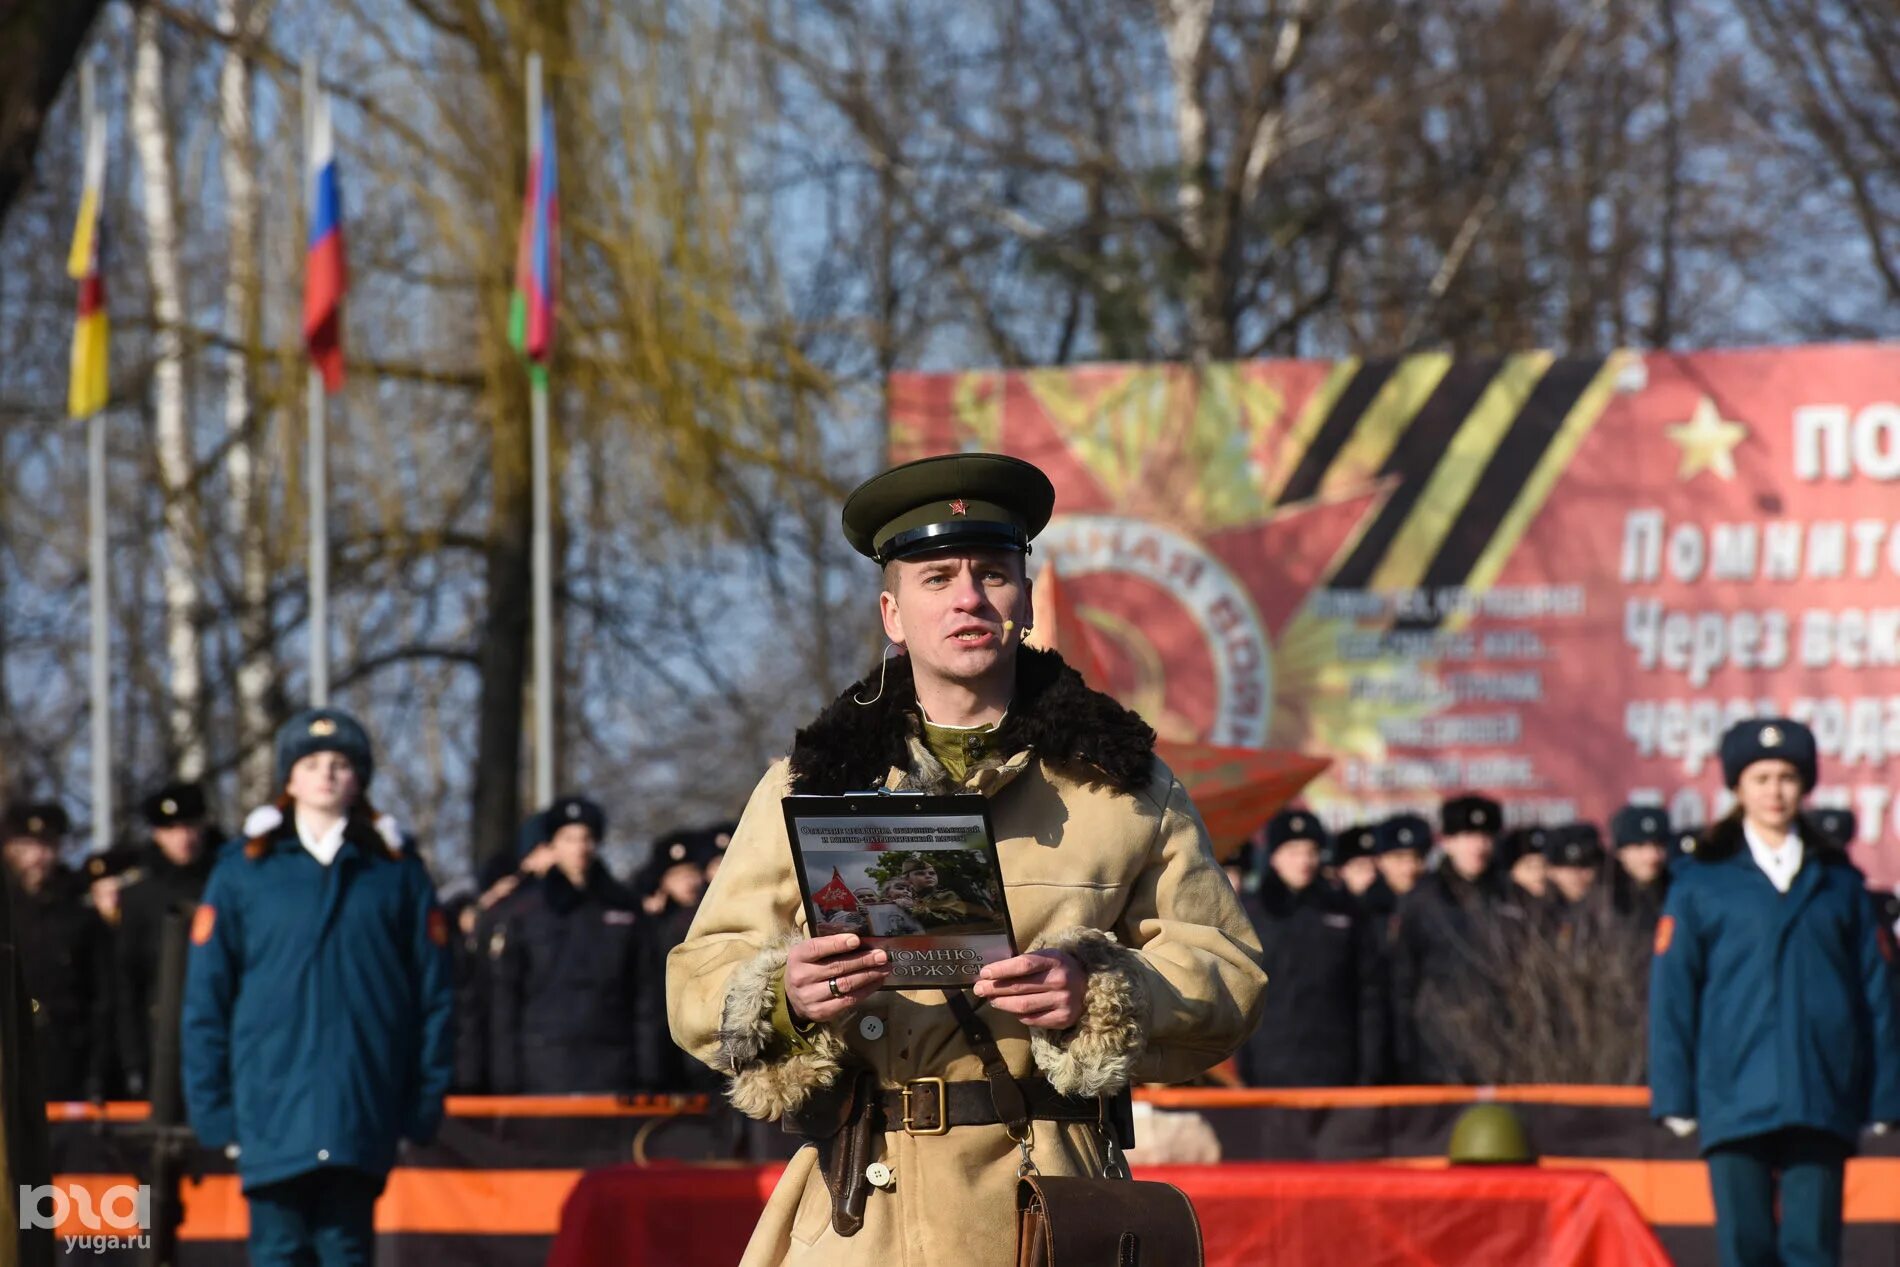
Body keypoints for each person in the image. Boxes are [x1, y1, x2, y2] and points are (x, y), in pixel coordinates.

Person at [666, 452, 1266, 1267]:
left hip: (1052, 1213)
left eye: (992, 572)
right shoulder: (807, 786)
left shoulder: (1125, 785)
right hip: (858, 1217)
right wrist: (784, 995)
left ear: (1023, 594)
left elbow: (1228, 972)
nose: (968, 597)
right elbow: (698, 978)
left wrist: (1100, 992)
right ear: (893, 612)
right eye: (938, 577)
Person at [183, 708, 454, 1266]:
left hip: (363, 1105)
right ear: (289, 779)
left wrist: (422, 1101)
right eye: (311, 763)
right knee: (278, 1251)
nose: (326, 775)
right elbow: (206, 999)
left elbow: (435, 997)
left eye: (341, 764)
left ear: (360, 780)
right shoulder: (243, 871)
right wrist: (215, 1110)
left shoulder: (396, 873)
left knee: (346, 1251)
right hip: (269, 1107)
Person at [1650, 718, 1900, 1267]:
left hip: (1820, 1091)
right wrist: (1674, 1094)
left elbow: (1875, 995)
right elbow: (1673, 995)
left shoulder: (1839, 883)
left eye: (1787, 777)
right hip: (1733, 1090)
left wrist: (1884, 1092)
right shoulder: (1702, 882)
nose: (1774, 791)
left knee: (1812, 1250)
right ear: (1737, 787)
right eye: (1760, 777)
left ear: (1804, 785)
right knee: (1745, 1249)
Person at [489, 795, 646, 1094]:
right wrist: (504, 1075)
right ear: (552, 845)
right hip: (543, 1064)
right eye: (569, 838)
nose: (579, 848)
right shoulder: (524, 912)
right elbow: (505, 998)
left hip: (613, 1061)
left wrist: (650, 1068)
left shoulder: (624, 907)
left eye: (586, 838)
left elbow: (645, 991)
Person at [1238, 809, 1386, 1086]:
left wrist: (1370, 1066)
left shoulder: (1345, 911)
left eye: (1311, 851)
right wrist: (1244, 1067)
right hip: (1269, 1066)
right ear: (1274, 857)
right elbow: (1240, 995)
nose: (1304, 861)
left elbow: (1369, 994)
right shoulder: (1250, 914)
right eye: (1293, 851)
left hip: (1336, 1066)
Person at [1390, 795, 1520, 1083]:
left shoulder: (1512, 898)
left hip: (1503, 1048)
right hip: (1437, 1051)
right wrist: (1404, 1055)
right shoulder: (1422, 900)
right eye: (1467, 836)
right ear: (1447, 842)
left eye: (1485, 836)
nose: (1478, 846)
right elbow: (1402, 983)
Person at [114, 782, 215, 1099]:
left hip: (215, 1030)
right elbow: (126, 983)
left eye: (189, 826)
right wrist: (132, 1059)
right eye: (171, 829)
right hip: (158, 1036)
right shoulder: (138, 896)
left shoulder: (223, 886)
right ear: (157, 834)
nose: (183, 837)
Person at [3, 803, 103, 1102]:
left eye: (46, 845)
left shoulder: (78, 911)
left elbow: (101, 994)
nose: (37, 857)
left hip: (66, 1053)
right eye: (27, 846)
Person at [633, 830, 721, 1092]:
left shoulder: (709, 919)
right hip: (665, 1045)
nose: (688, 882)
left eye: (692, 872)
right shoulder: (651, 927)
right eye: (677, 875)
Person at [1609, 805, 1671, 933]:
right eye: (1639, 846)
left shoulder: (1678, 892)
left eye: (1658, 845)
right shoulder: (1602, 901)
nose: (1652, 856)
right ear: (1620, 852)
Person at [1325, 823, 1380, 904]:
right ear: (1341, 871)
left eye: (1374, 867)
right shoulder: (1327, 908)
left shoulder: (1389, 904)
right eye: (1360, 867)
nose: (1370, 875)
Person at [1496, 825, 1549, 905]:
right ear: (1512, 872)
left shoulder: (1565, 908)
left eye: (1545, 865)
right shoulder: (1499, 909)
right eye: (1529, 867)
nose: (1539, 873)